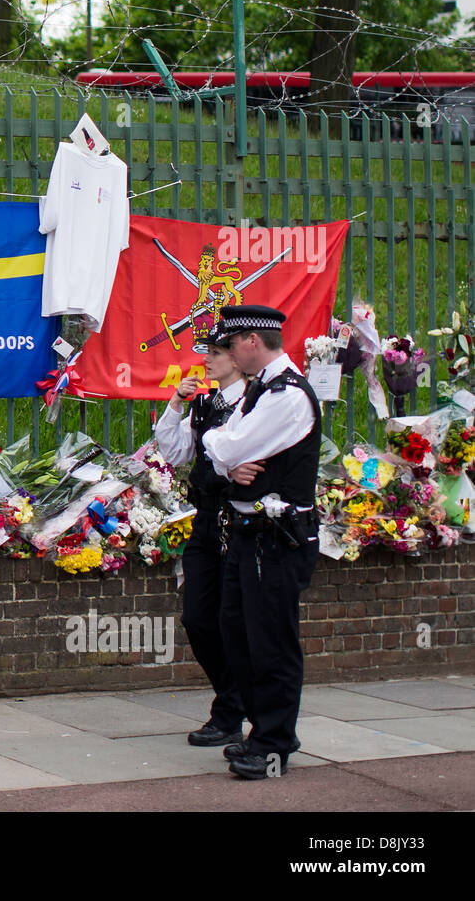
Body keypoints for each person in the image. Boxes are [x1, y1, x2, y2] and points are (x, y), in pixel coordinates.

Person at [202, 305, 321, 781]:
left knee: (271, 641)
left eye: (230, 345)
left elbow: (226, 445)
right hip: (249, 531)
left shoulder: (286, 395)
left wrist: (227, 455)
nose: (226, 354)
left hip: (278, 535)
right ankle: (267, 730)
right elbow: (222, 452)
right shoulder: (261, 390)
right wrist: (228, 459)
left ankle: (273, 746)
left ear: (253, 340)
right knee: (237, 634)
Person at [152, 330, 247, 749]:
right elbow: (174, 453)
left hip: (240, 519)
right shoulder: (206, 404)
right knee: (197, 617)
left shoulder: (257, 402)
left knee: (235, 619)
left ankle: (230, 712)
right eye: (207, 353)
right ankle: (233, 697)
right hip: (206, 518)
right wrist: (177, 403)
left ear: (238, 358)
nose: (208, 361)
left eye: (216, 353)